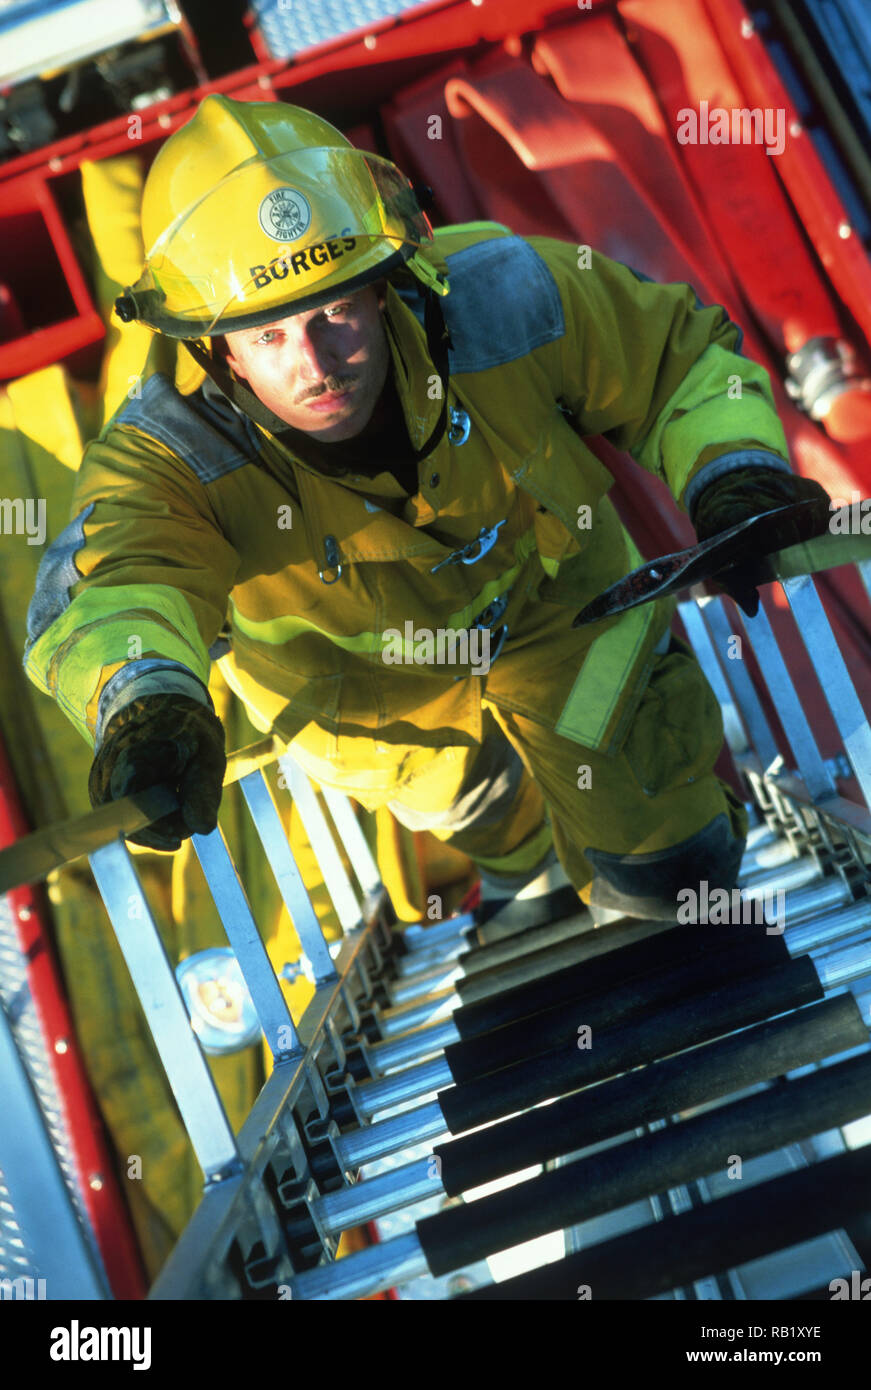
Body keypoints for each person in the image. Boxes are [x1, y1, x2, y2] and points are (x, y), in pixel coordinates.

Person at [23, 94, 829, 930]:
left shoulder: (505, 300)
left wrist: (736, 476)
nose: (315, 363)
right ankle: (525, 885)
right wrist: (145, 703)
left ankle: (657, 896)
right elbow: (117, 581)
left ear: (385, 287)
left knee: (672, 865)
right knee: (523, 882)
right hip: (391, 727)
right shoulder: (168, 455)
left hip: (572, 634)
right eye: (267, 337)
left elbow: (678, 361)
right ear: (212, 347)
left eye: (334, 312)